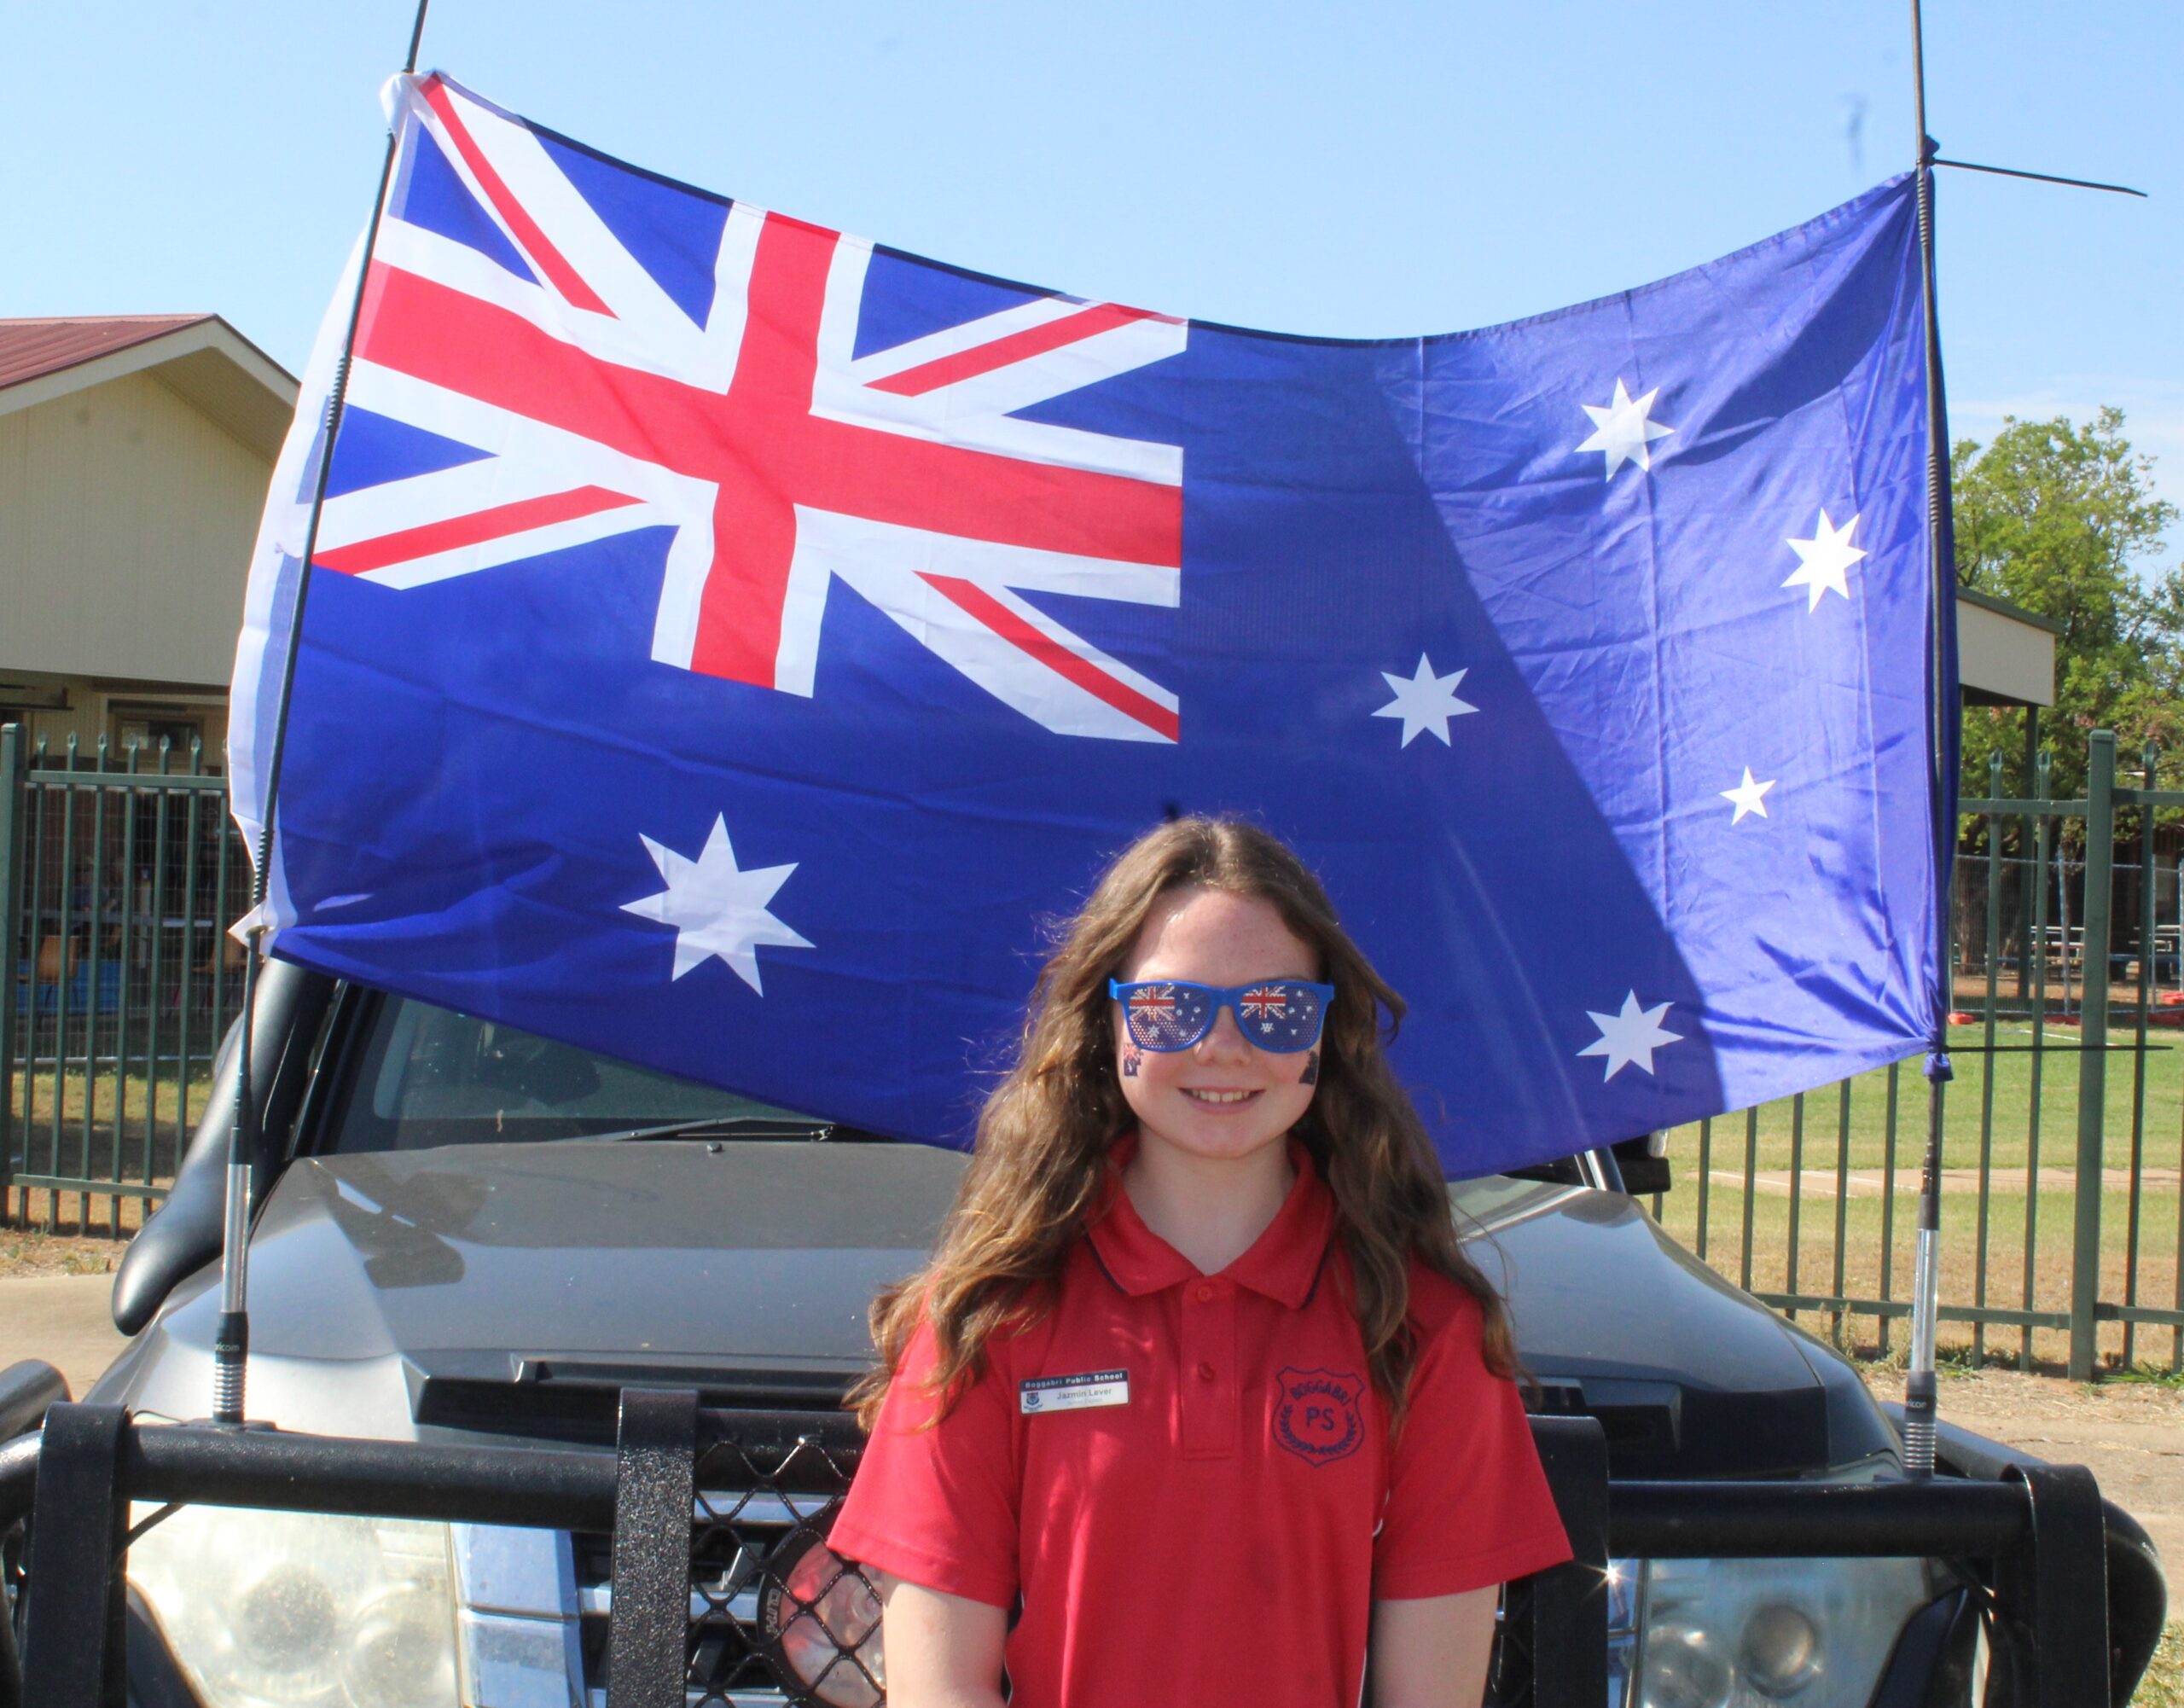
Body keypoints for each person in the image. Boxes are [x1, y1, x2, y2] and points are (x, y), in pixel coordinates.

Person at [828, 818, 1571, 1707]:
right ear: (1108, 1025)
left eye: (1273, 1009)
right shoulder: (989, 1314)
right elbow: (937, 1689)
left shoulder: (1425, 1327)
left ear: (1323, 1035)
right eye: (1172, 1008)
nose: (1223, 1046)